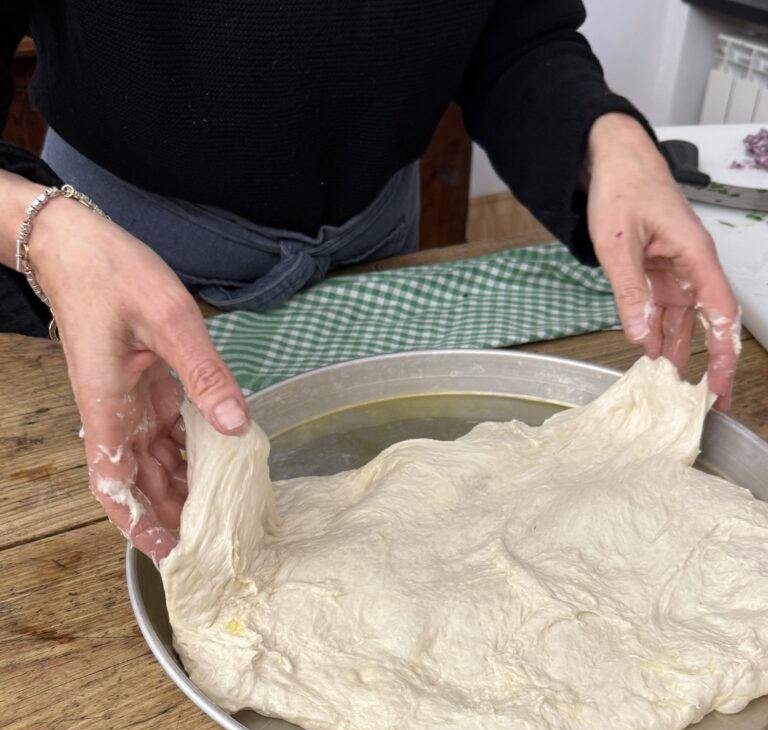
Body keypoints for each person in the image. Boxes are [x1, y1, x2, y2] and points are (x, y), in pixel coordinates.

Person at [0, 1, 740, 561]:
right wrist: (47, 236)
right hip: (104, 271)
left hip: (376, 247)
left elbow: (512, 35)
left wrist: (604, 139)